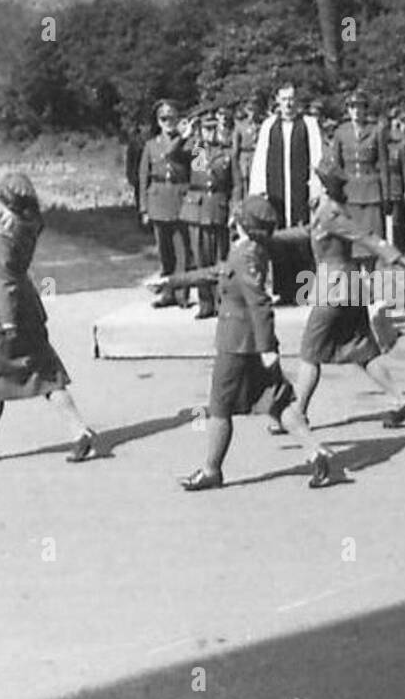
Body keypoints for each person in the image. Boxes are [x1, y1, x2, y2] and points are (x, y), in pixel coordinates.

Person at [146, 195, 346, 491]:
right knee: (278, 400)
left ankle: (211, 470)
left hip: (237, 344)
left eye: (236, 215)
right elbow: (216, 272)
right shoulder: (251, 249)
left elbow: (260, 303)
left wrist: (267, 349)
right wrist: (173, 281)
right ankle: (316, 451)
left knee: (219, 408)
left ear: (241, 223)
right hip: (252, 344)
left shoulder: (244, 255)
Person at [0, 173, 97, 465]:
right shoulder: (29, 226)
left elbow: (5, 282)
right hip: (28, 309)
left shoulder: (4, 238)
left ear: (6, 201)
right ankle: (80, 432)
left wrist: (7, 323)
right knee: (47, 374)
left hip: (5, 314)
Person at [273, 165, 405, 429]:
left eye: (315, 181)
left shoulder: (332, 214)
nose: (310, 184)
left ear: (324, 186)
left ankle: (297, 413)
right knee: (363, 351)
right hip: (346, 287)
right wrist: (269, 237)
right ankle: (403, 403)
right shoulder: (324, 211)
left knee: (309, 352)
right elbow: (307, 233)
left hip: (334, 288)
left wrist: (398, 258)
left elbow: (364, 236)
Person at [249, 82, 324, 302]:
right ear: (277, 102)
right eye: (284, 99)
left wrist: (316, 188)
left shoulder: (309, 124)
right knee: (278, 239)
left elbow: (317, 157)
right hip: (276, 193)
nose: (288, 104)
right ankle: (283, 291)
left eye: (291, 99)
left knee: (302, 239)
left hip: (301, 192)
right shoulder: (269, 126)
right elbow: (260, 160)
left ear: (297, 101)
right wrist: (259, 191)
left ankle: (302, 290)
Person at [138, 99, 194, 308]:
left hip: (180, 199)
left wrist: (187, 137)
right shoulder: (151, 145)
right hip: (158, 200)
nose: (168, 122)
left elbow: (198, 168)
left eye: (172, 118)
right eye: (163, 119)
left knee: (182, 252)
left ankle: (182, 294)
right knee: (165, 252)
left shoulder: (189, 142)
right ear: (158, 122)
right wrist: (144, 208)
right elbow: (143, 178)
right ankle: (167, 292)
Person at [328, 86, 390, 264]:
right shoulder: (341, 132)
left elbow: (383, 165)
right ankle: (355, 284)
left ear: (365, 109)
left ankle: (371, 278)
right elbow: (337, 167)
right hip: (350, 193)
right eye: (353, 107)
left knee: (371, 241)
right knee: (352, 242)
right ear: (348, 110)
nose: (356, 111)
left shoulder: (376, 131)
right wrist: (335, 196)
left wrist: (386, 195)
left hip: (371, 192)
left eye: (360, 107)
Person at [181, 109, 234, 319]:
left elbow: (236, 184)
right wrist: (187, 134)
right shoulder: (198, 150)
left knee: (221, 257)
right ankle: (205, 302)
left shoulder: (226, 152)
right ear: (200, 130)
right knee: (201, 258)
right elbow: (176, 155)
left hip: (218, 206)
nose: (210, 133)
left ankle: (222, 301)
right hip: (198, 208)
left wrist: (234, 208)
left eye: (214, 128)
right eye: (206, 129)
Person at [384, 106, 405, 251]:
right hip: (383, 187)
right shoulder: (381, 147)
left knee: (399, 219)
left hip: (397, 187)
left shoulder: (401, 147)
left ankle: (400, 246)